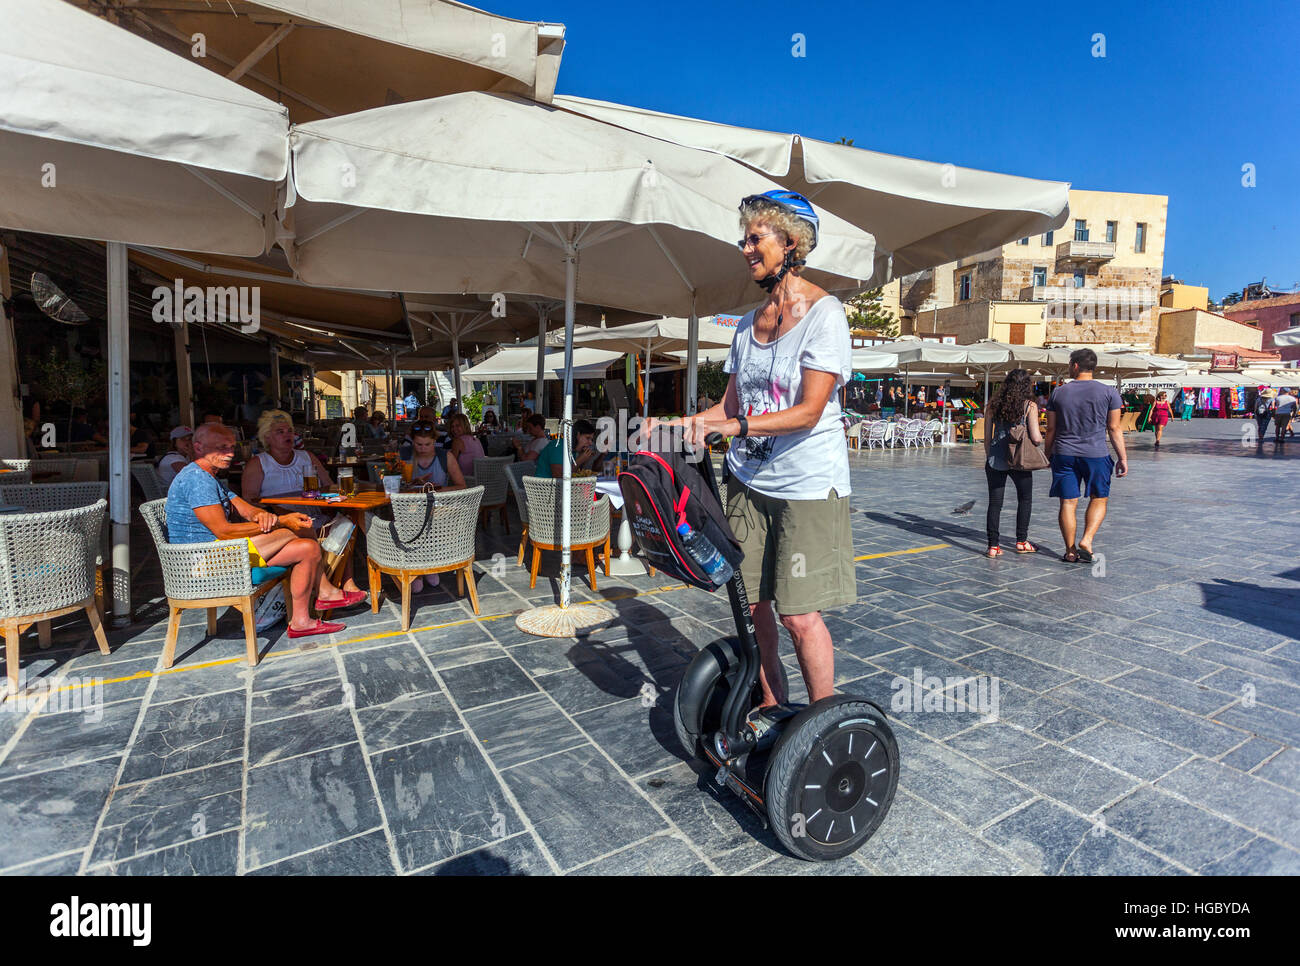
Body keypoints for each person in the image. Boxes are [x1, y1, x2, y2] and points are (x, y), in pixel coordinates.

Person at [659, 189, 853, 733]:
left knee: (797, 613)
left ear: (791, 242)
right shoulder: (747, 324)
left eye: (755, 238)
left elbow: (811, 410)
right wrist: (678, 424)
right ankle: (771, 702)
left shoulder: (824, 314)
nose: (745, 248)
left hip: (806, 485)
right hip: (746, 478)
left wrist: (735, 427)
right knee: (752, 604)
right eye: (743, 239)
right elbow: (730, 406)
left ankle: (821, 724)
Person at [165, 424, 346, 639]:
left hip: (221, 553)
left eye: (231, 447)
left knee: (306, 547)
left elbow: (244, 507)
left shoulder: (208, 475)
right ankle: (325, 591)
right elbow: (224, 531)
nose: (230, 453)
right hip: (204, 562)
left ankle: (301, 621)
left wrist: (260, 515)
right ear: (199, 447)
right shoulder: (197, 479)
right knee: (296, 530)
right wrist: (279, 521)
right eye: (222, 448)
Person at [241, 409, 366, 604]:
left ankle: (346, 582)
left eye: (289, 431)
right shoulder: (258, 464)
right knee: (309, 527)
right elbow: (249, 502)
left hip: (315, 515)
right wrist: (277, 514)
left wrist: (329, 500)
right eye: (280, 432)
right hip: (282, 523)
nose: (287, 435)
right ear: (267, 437)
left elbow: (328, 485)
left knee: (349, 524)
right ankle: (326, 588)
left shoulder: (306, 457)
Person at [1044, 348, 1128, 564]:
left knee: (1068, 502)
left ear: (1075, 365)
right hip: (1096, 454)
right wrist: (1122, 458)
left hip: (1063, 453)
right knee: (1099, 497)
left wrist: (1047, 453)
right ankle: (1087, 540)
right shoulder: (1109, 393)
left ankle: (1070, 551)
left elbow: (1051, 429)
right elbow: (1114, 428)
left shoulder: (1058, 393)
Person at [403, 422, 468, 594]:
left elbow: (462, 486)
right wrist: (412, 484)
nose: (423, 448)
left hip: (438, 508)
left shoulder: (444, 456)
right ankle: (426, 568)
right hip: (411, 507)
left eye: (427, 444)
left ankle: (419, 571)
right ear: (412, 442)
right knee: (412, 517)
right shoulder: (404, 456)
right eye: (418, 444)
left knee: (419, 521)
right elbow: (393, 485)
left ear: (434, 441)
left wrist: (434, 489)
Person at [983, 369, 1042, 557]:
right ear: (1027, 386)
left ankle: (993, 546)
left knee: (995, 503)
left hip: (995, 458)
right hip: (1020, 459)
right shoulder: (1030, 406)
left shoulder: (992, 405)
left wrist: (989, 455)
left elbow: (986, 437)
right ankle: (1021, 541)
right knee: (1024, 499)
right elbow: (1036, 438)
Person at [535, 419, 601, 478]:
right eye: (587, 438)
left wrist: (585, 460)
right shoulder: (559, 445)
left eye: (591, 439)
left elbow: (575, 474)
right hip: (545, 488)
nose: (590, 443)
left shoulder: (573, 450)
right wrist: (579, 460)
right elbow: (559, 477)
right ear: (578, 435)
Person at [447, 413, 486, 478]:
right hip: (480, 480)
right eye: (452, 426)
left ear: (465, 426)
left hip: (465, 480)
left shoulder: (458, 441)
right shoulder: (476, 440)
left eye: (457, 425)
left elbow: (450, 465)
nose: (454, 429)